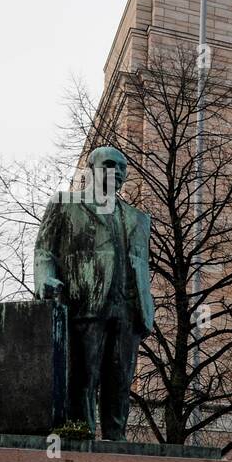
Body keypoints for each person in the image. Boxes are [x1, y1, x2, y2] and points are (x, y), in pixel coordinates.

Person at [34, 146, 154, 440]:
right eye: (111, 165)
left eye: (123, 168)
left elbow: (139, 263)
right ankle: (80, 433)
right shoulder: (66, 204)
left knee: (121, 379)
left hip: (128, 308)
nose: (118, 172)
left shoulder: (138, 219)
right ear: (91, 169)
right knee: (84, 375)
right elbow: (44, 251)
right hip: (85, 302)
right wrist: (46, 280)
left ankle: (116, 437)